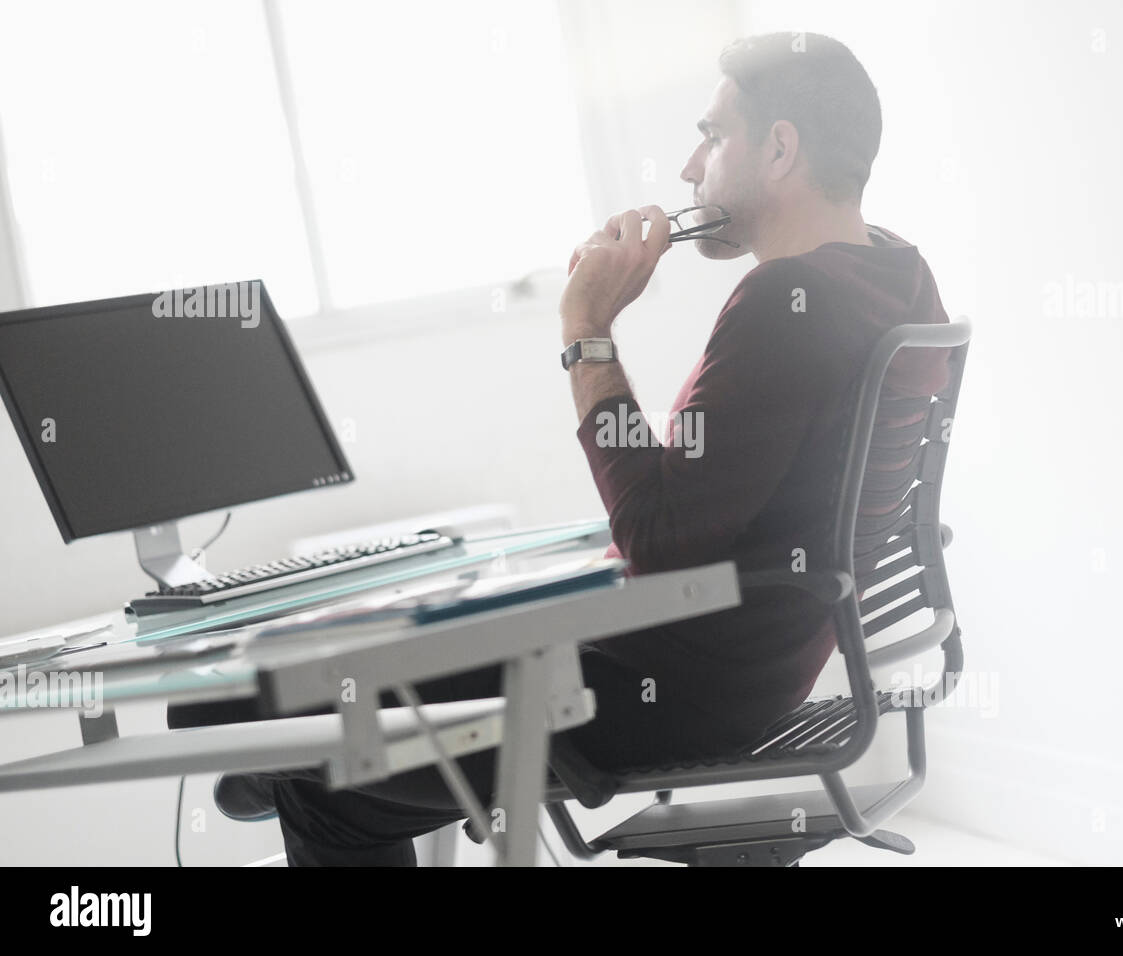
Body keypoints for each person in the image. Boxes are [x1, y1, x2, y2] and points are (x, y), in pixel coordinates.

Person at [169, 31, 953, 866]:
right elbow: (724, 501)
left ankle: (278, 757)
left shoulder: (784, 299)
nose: (690, 168)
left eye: (712, 135)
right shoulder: (898, 274)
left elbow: (655, 536)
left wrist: (587, 329)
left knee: (290, 748)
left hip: (666, 694)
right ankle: (278, 754)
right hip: (755, 667)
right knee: (313, 725)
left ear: (781, 146)